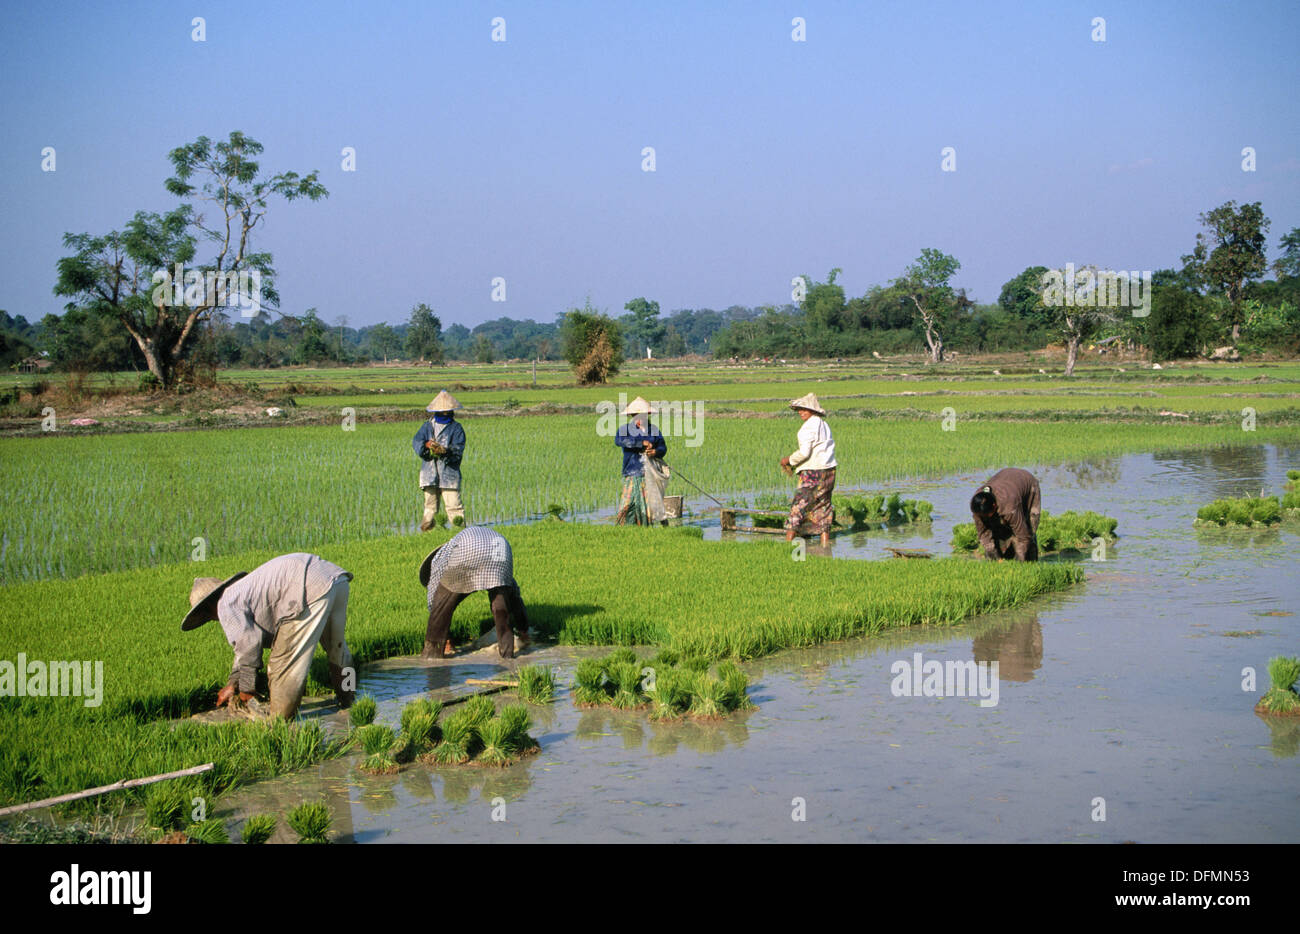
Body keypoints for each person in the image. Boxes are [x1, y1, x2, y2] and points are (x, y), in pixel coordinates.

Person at [182, 553, 356, 719]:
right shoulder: (238, 592)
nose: (211, 620)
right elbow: (243, 648)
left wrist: (246, 689)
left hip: (305, 587)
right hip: (335, 579)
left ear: (207, 608)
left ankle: (280, 724)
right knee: (337, 648)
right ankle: (349, 702)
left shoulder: (224, 604)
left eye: (206, 617)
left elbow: (249, 643)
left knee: (281, 666)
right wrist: (233, 683)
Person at [419, 526, 530, 660]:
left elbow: (436, 606)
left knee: (442, 605)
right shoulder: (453, 547)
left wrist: (446, 638)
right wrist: (523, 629)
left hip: (470, 549)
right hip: (501, 547)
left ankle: (432, 656)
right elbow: (514, 597)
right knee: (501, 606)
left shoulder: (438, 560)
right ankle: (508, 656)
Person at [780, 393, 837, 546]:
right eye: (799, 409)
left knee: (799, 505)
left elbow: (805, 453)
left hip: (813, 471)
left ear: (812, 410)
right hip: (829, 470)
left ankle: (788, 544)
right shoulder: (824, 425)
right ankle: (825, 544)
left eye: (804, 409)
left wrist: (788, 460)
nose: (800, 412)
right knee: (823, 505)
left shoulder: (808, 428)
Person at [413, 390, 466, 531]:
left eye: (447, 411)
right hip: (429, 473)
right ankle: (427, 532)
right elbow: (417, 441)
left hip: (449, 473)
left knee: (454, 506)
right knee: (430, 507)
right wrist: (427, 446)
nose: (445, 413)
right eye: (442, 411)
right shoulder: (427, 426)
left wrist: (445, 451)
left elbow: (458, 450)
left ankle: (459, 534)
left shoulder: (456, 429)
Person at [614, 396, 668, 525]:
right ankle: (623, 527)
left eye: (641, 415)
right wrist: (640, 443)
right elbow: (620, 441)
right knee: (628, 503)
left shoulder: (653, 430)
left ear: (646, 415)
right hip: (633, 472)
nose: (639, 418)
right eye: (635, 415)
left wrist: (655, 452)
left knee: (652, 504)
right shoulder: (624, 430)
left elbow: (663, 447)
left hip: (650, 473)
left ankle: (653, 526)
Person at [970, 467, 1042, 561]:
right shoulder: (977, 505)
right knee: (998, 533)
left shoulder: (1009, 507)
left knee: (1028, 530)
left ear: (994, 505)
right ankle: (1003, 556)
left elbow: (1023, 537)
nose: (984, 518)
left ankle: (1030, 562)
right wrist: (994, 556)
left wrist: (1019, 561)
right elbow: (983, 534)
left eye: (987, 515)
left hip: (1026, 482)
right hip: (1006, 480)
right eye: (982, 516)